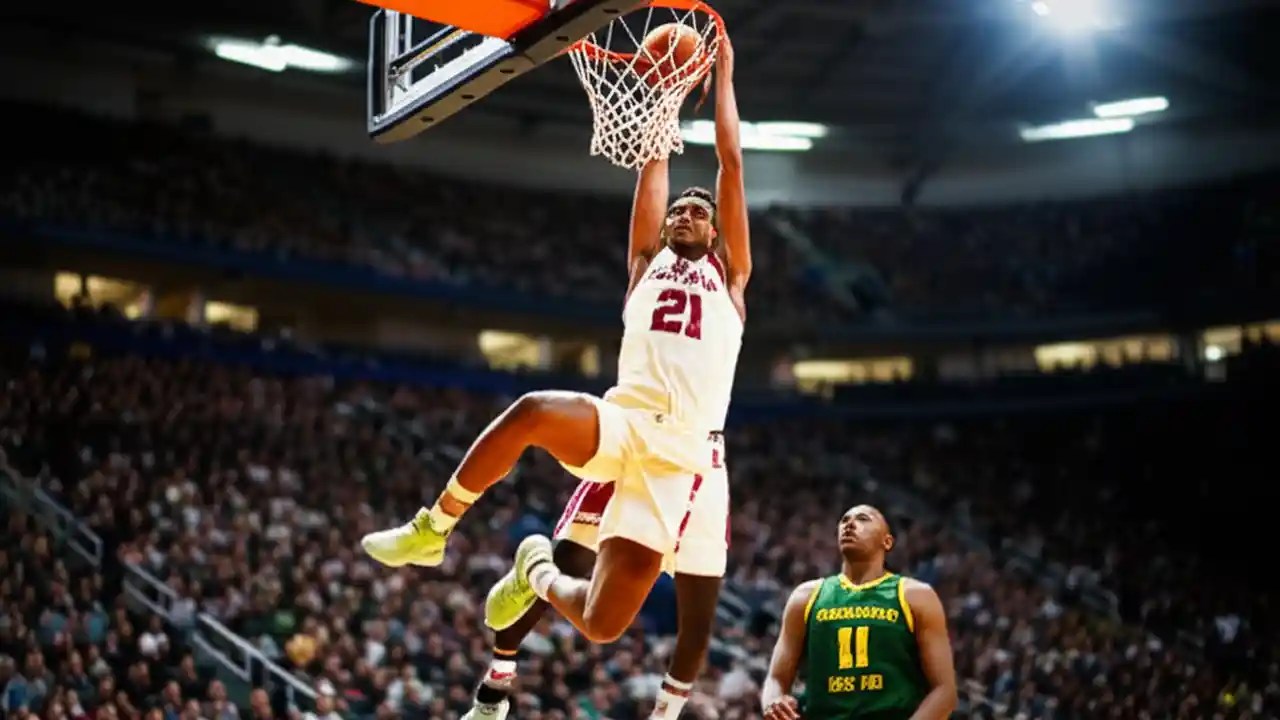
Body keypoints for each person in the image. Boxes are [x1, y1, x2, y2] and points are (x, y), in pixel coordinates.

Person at [361, 33, 749, 714]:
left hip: (681, 455)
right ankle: (432, 527)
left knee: (602, 623)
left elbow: (731, 162)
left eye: (700, 212)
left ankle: (533, 568)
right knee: (534, 410)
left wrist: (722, 76)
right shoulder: (643, 265)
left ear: (715, 235)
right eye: (680, 210)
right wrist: (663, 94)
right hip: (624, 419)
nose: (688, 213)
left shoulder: (734, 280)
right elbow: (653, 159)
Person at [463, 471, 727, 720]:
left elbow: (697, 630)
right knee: (559, 574)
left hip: (697, 490)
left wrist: (666, 714)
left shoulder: (708, 513)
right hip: (645, 463)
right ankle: (492, 691)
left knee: (602, 626)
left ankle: (537, 571)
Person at [761, 505, 957, 720]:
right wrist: (773, 702)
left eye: (863, 519)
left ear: (887, 542)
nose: (849, 525)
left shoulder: (915, 595)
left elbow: (944, 691)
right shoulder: (806, 596)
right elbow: (777, 678)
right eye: (844, 520)